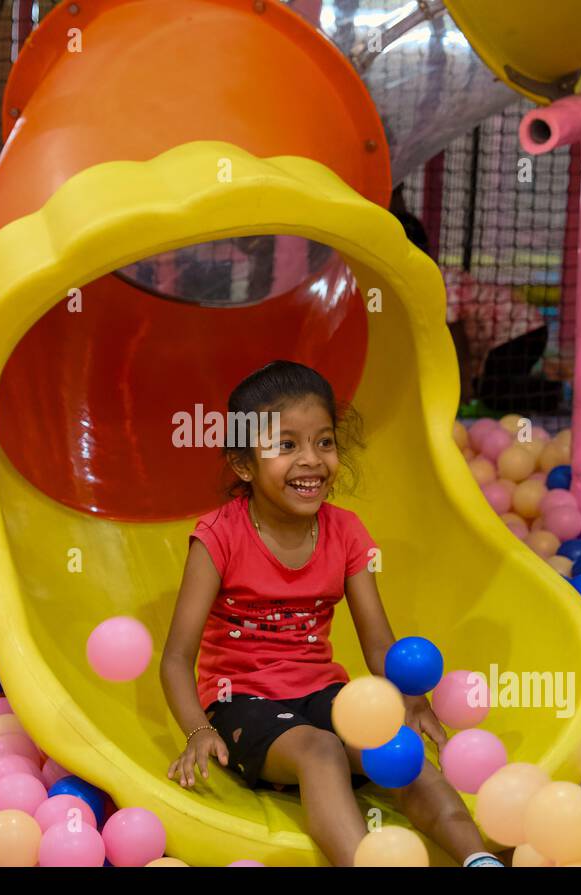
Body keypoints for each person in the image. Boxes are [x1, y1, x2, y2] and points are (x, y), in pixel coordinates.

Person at [159, 360, 502, 867]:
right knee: (320, 751)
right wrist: (197, 730)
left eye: (324, 442)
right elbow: (176, 657)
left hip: (323, 692)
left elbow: (379, 644)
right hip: (241, 701)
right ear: (244, 464)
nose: (311, 461)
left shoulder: (346, 532)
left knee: (398, 750)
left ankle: (480, 859)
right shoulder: (218, 537)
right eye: (287, 445)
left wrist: (411, 699)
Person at [389, 187, 557, 413]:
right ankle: (542, 380)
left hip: (521, 330)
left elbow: (457, 338)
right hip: (517, 331)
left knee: (492, 393)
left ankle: (554, 392)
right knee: (496, 384)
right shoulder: (424, 282)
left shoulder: (439, 282)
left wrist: (464, 383)